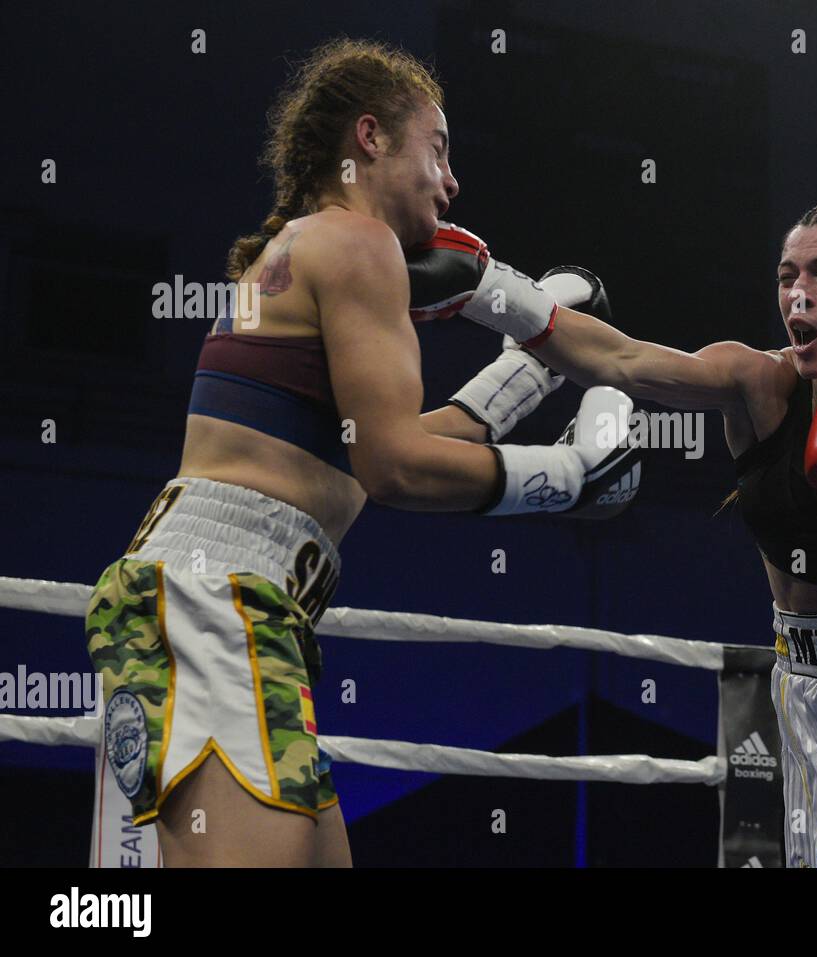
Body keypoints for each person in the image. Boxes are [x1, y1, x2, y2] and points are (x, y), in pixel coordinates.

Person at [84, 39, 637, 868]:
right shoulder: (351, 241)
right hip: (218, 602)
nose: (452, 182)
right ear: (370, 139)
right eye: (439, 149)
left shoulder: (313, 258)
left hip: (244, 609)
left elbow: (381, 451)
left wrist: (530, 370)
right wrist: (567, 478)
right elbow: (399, 470)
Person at [430, 201, 817, 867]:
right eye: (787, 275)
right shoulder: (758, 384)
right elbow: (621, 359)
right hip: (813, 701)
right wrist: (492, 291)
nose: (799, 294)